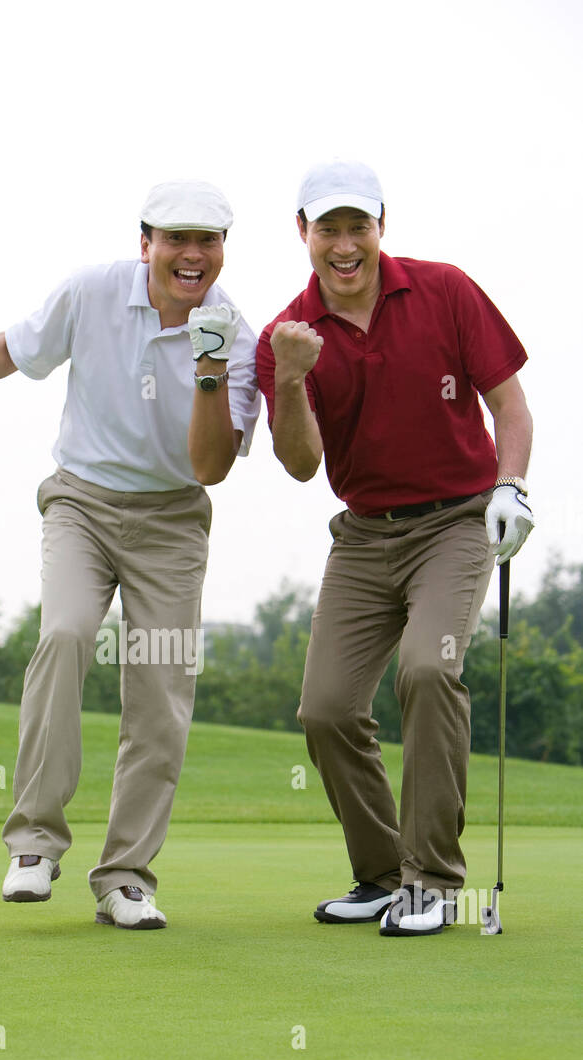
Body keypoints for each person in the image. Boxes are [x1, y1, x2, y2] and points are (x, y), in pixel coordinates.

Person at [0, 181, 259, 929]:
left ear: (223, 249)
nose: (193, 256)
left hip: (173, 521)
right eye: (177, 240)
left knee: (160, 688)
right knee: (63, 634)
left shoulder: (236, 334)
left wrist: (211, 369)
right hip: (81, 504)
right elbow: (17, 348)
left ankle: (125, 875)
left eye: (209, 241)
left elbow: (213, 466)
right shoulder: (92, 293)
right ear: (146, 242)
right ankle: (33, 843)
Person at [257, 159, 534, 937]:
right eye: (328, 229)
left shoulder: (444, 289)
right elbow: (304, 464)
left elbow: (509, 404)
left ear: (382, 228)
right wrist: (287, 380)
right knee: (327, 710)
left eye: (359, 227)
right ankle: (382, 875)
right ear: (303, 235)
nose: (344, 245)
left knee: (427, 668)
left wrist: (512, 486)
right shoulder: (288, 335)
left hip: (456, 522)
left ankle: (437, 883)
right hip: (363, 537)